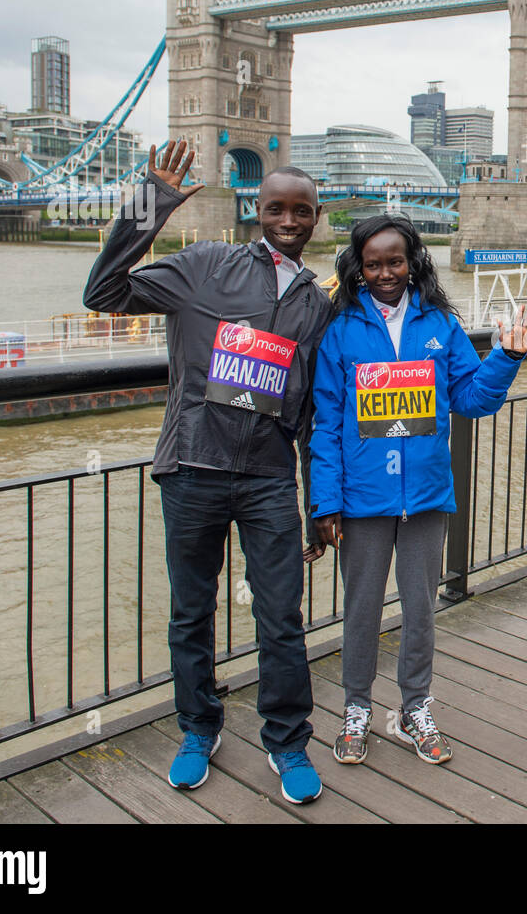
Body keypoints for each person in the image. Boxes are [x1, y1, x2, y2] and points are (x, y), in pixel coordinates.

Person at [83, 141, 331, 804]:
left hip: (270, 479)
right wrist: (149, 201)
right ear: (257, 210)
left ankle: (287, 740)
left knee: (282, 617)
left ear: (315, 217)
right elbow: (104, 291)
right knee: (191, 613)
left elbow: (309, 412)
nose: (288, 219)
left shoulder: (316, 304)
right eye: (276, 207)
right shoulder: (205, 265)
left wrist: (318, 500)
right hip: (193, 467)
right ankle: (198, 727)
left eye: (300, 210)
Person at [306, 215, 527, 765]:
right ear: (358, 269)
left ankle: (416, 709)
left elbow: (472, 399)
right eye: (373, 264)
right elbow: (326, 423)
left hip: (428, 498)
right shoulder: (340, 330)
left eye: (395, 261)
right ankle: (357, 709)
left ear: (413, 262)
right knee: (361, 609)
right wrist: (325, 502)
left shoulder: (438, 322)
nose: (386, 273)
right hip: (363, 500)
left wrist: (507, 357)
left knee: (420, 608)